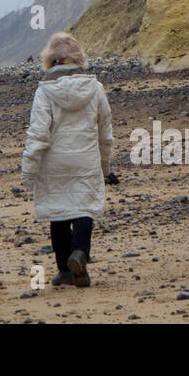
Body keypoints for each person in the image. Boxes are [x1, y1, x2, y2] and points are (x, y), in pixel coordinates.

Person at [21, 31, 114, 288]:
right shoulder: (95, 88)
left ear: (51, 59)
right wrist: (105, 166)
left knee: (59, 212)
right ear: (79, 57)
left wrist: (28, 171)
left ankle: (64, 271)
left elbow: (38, 133)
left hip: (54, 161)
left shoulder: (45, 91)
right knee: (84, 207)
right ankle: (80, 254)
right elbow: (105, 131)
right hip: (85, 158)